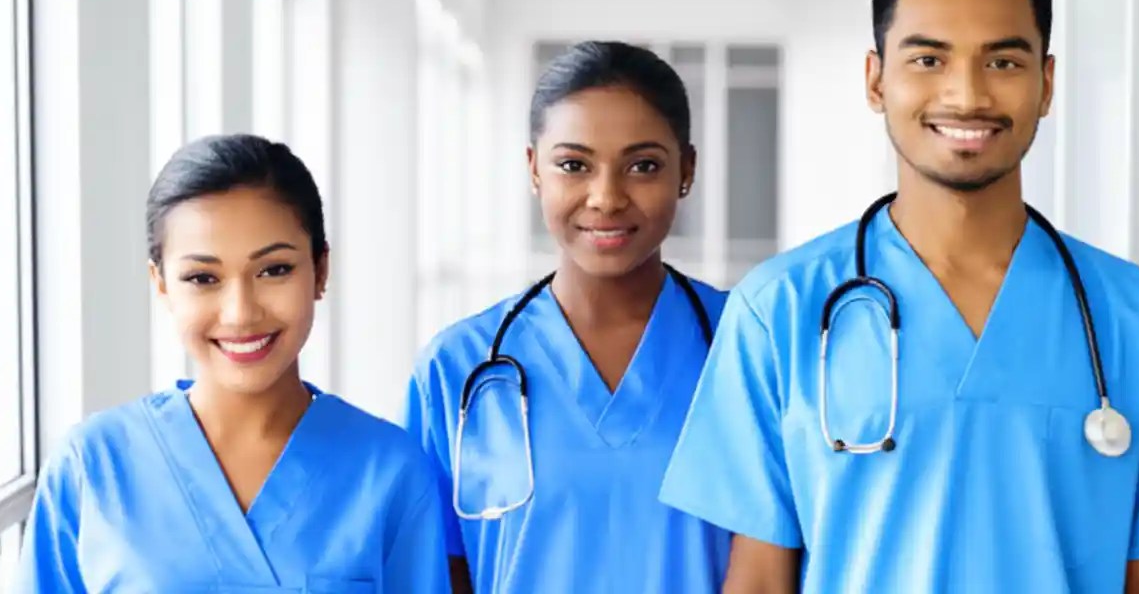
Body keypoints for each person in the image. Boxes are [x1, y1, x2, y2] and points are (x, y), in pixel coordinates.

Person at [659, 0, 1139, 593]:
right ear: (875, 81)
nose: (967, 94)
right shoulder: (778, 310)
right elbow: (757, 579)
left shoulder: (1136, 317)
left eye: (1003, 61)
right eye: (928, 59)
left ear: (1046, 84)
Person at [17, 134, 450, 592]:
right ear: (161, 285)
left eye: (274, 270)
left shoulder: (389, 470)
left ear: (320, 271)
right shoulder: (92, 467)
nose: (241, 312)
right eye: (203, 278)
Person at [401, 41, 731, 593]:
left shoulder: (749, 345)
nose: (606, 197)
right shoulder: (457, 368)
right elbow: (433, 572)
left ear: (686, 170)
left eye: (643, 165)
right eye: (574, 165)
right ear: (534, 169)